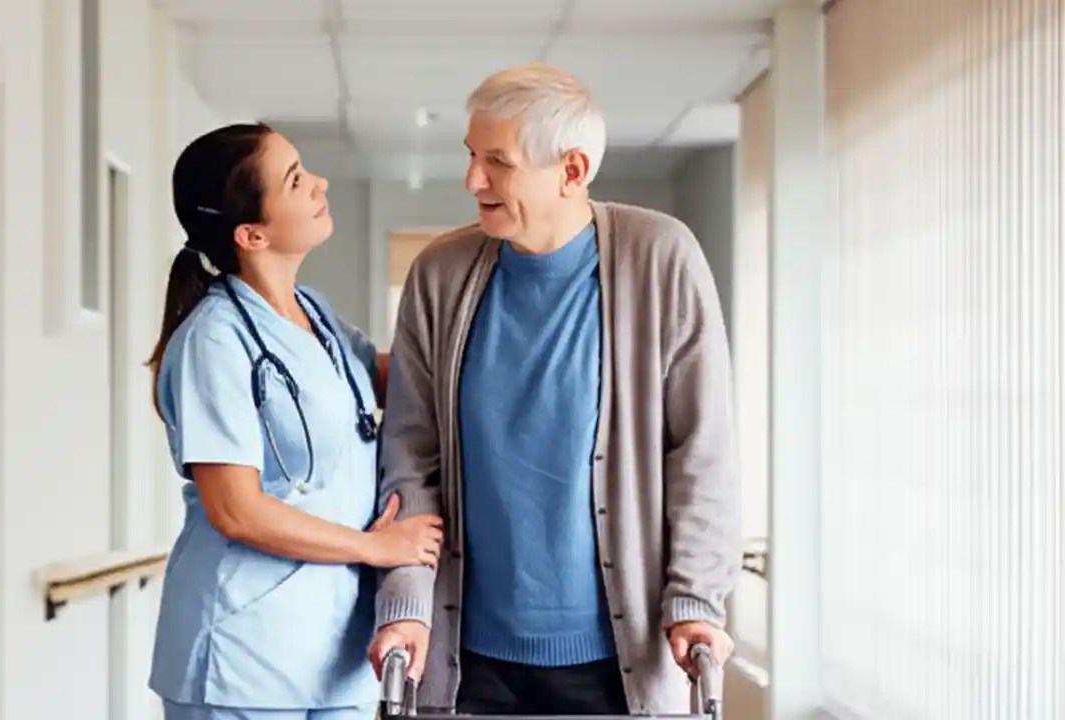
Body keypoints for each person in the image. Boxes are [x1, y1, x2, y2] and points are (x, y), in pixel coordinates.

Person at [367, 64, 742, 715]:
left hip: (618, 664)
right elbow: (409, 453)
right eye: (471, 156)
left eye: (497, 162)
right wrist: (406, 604)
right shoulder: (441, 276)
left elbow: (702, 451)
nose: (472, 180)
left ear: (571, 171)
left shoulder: (659, 258)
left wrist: (696, 597)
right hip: (470, 660)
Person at [146, 123, 444, 720]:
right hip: (242, 653)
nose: (319, 183)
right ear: (252, 233)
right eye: (296, 179)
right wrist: (374, 547)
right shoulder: (215, 339)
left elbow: (410, 378)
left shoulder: (314, 314)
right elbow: (236, 508)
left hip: (332, 656)